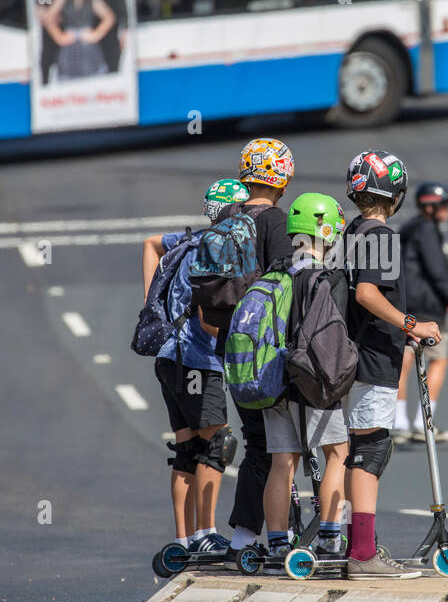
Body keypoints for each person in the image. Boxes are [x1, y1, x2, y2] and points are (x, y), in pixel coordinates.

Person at [341, 151, 441, 578]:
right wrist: (411, 324)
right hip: (372, 357)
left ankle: (348, 541)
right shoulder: (381, 237)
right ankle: (362, 554)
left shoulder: (350, 232)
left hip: (344, 356)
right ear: (396, 196)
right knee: (371, 449)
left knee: (351, 450)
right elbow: (366, 293)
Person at [140, 180, 249, 552]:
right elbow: (208, 320)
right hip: (197, 362)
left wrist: (151, 303)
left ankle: (183, 540)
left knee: (187, 450)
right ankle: (205, 535)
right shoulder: (217, 250)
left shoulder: (192, 240)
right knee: (218, 444)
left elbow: (151, 243)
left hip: (169, 358)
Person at [210, 138, 296, 566]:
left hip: (229, 344)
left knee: (255, 439)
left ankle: (247, 534)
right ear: (283, 177)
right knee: (276, 443)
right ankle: (253, 537)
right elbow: (285, 281)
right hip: (264, 347)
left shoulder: (226, 216)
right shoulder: (276, 220)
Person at [261, 193, 350, 566]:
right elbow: (333, 338)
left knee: (283, 462)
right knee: (338, 454)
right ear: (325, 230)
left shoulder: (276, 271)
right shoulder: (325, 279)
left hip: (272, 379)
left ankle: (278, 543)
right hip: (311, 379)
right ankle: (330, 538)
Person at [396, 182, 448, 442]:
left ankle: (398, 423)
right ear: (431, 206)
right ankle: (422, 424)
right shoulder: (428, 231)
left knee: (403, 361)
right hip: (427, 308)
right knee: (438, 359)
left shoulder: (409, 229)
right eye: (445, 205)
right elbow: (437, 272)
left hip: (405, 305)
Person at [43, 0, 116, 81]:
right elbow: (47, 17)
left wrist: (96, 34)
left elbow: (109, 17)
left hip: (88, 48)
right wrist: (59, 36)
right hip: (69, 50)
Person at [34, 0, 64, 86]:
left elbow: (67, 15)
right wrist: (53, 16)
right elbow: (43, 17)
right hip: (48, 40)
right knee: (46, 77)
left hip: (64, 40)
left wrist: (52, 15)